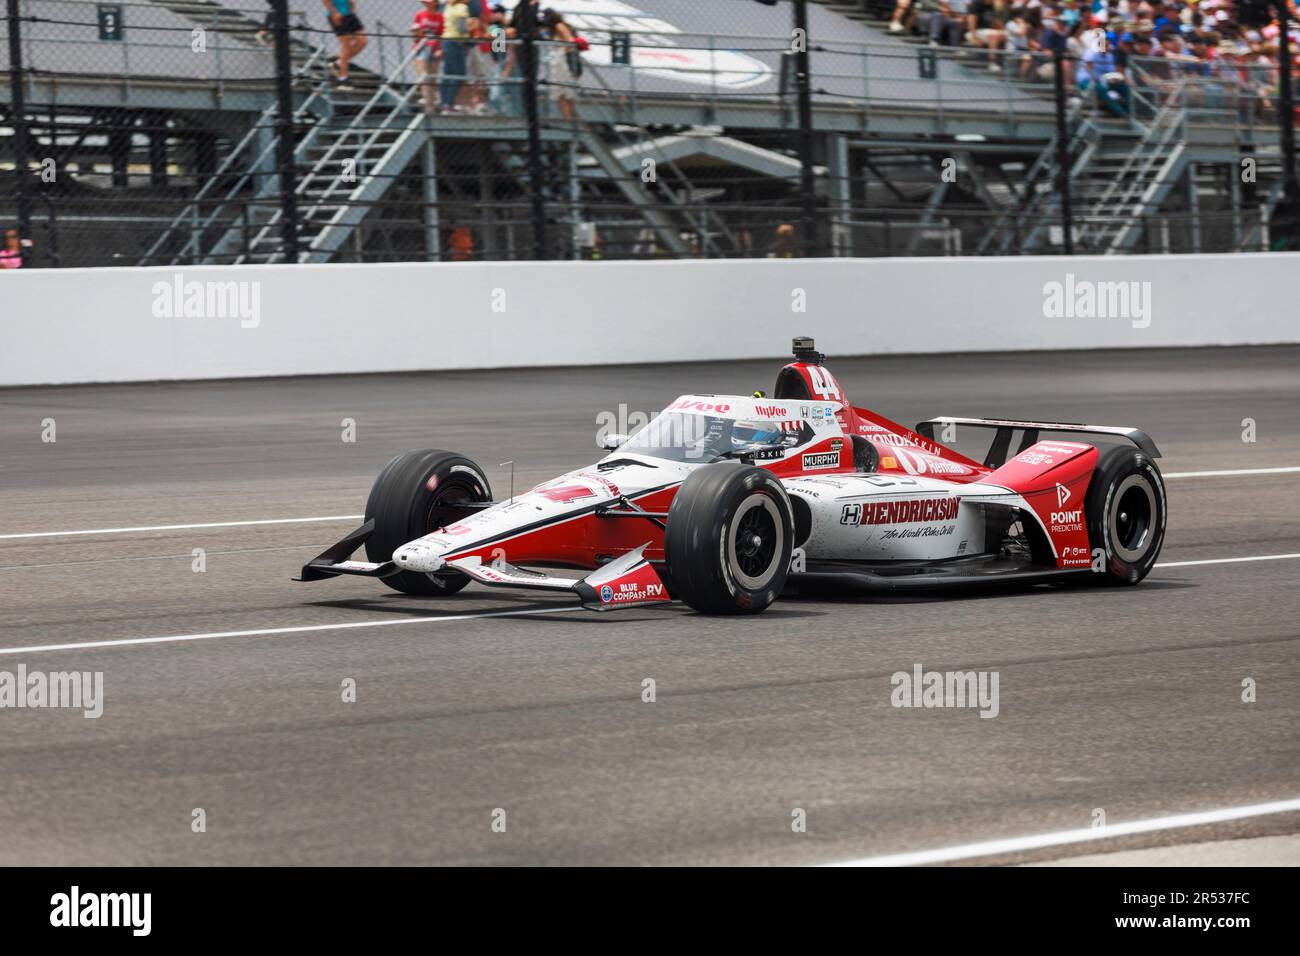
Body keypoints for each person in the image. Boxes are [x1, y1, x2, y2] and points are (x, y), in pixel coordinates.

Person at [543, 9, 579, 121]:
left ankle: (569, 119)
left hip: (563, 63)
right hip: (557, 64)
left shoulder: (559, 26)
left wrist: (559, 53)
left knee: (566, 93)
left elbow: (570, 41)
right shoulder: (552, 29)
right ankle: (568, 119)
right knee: (560, 94)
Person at [323, 0, 367, 90]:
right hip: (337, 15)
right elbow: (326, 1)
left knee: (362, 41)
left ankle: (338, 63)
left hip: (349, 14)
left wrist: (352, 5)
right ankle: (343, 78)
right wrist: (334, 13)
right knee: (346, 45)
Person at [411, 0, 444, 115]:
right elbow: (415, 33)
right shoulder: (420, 14)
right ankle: (426, 101)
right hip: (421, 47)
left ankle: (432, 106)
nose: (426, 3)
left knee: (432, 78)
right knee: (422, 75)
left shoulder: (440, 17)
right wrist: (415, 33)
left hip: (434, 49)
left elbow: (441, 34)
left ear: (435, 3)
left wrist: (440, 49)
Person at [439, 0, 471, 113]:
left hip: (446, 40)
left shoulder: (448, 6)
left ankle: (444, 103)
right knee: (459, 73)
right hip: (456, 42)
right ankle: (449, 103)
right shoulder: (462, 7)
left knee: (448, 73)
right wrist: (469, 38)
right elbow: (461, 27)